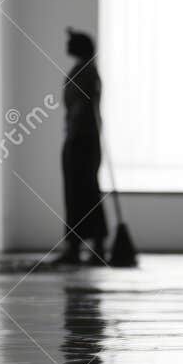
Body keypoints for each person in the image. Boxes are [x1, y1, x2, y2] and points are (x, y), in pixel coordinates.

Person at [59, 29, 108, 265]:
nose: (66, 46)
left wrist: (75, 135)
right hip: (84, 139)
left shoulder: (85, 72)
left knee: (81, 193)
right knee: (83, 193)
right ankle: (84, 245)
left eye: (70, 43)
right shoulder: (86, 71)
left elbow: (80, 108)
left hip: (81, 141)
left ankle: (82, 246)